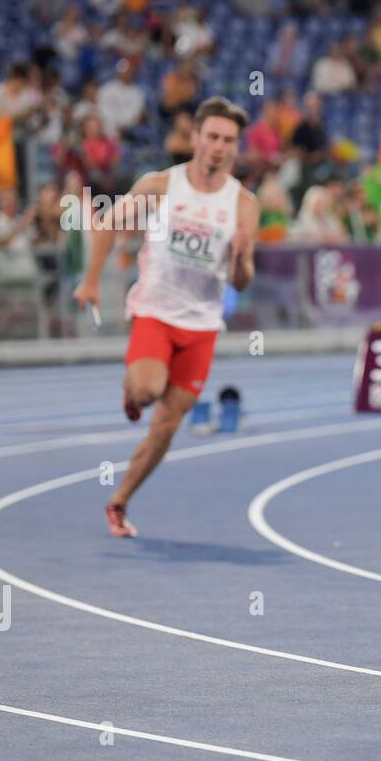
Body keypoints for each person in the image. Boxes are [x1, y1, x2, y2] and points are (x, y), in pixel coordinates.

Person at [72, 97, 259, 538]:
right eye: (212, 136)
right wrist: (92, 282)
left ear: (236, 147)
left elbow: (243, 280)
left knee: (167, 425)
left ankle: (118, 502)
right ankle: (132, 390)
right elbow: (108, 224)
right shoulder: (160, 185)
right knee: (148, 389)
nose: (218, 147)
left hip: (202, 324)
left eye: (228, 140)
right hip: (156, 311)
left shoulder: (243, 204)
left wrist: (240, 261)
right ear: (195, 138)